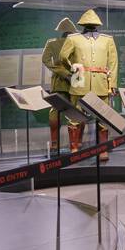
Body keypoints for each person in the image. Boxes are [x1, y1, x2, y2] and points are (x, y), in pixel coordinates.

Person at [59, 9, 119, 161]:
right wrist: (73, 69)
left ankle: (103, 149)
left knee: (103, 117)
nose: (91, 26)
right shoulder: (73, 38)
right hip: (79, 82)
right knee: (75, 117)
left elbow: (113, 63)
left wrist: (111, 84)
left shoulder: (107, 40)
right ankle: (74, 147)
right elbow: (62, 57)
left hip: (100, 83)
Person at [41, 17, 76, 156]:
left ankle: (55, 145)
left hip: (59, 81)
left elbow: (45, 60)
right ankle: (76, 146)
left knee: (55, 112)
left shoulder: (52, 43)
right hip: (75, 81)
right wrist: (72, 75)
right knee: (77, 113)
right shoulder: (77, 43)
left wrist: (61, 72)